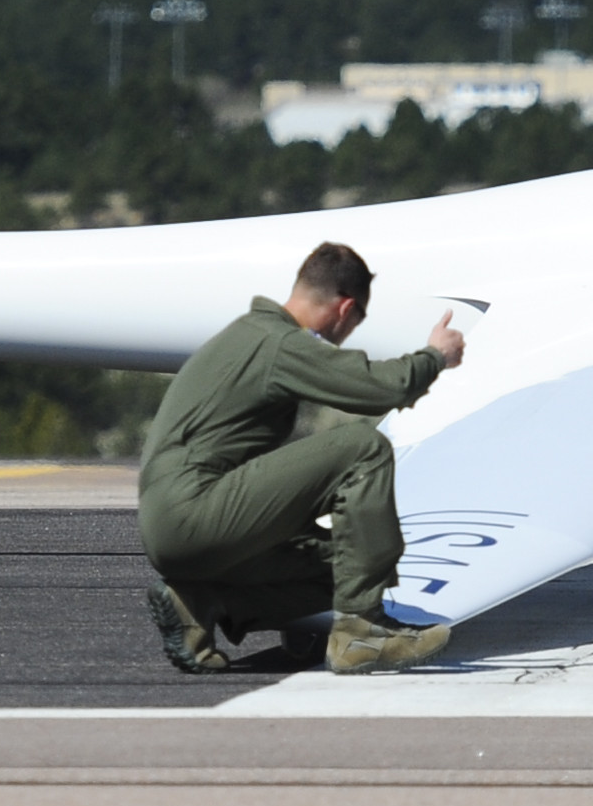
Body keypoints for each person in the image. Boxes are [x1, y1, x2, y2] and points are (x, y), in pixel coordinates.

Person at [137, 241, 469, 676]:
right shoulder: (278, 343)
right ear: (345, 309)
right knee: (362, 448)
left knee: (345, 564)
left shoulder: (247, 335)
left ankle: (200, 607)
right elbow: (380, 389)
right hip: (194, 515)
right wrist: (435, 356)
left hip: (179, 523)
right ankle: (360, 633)